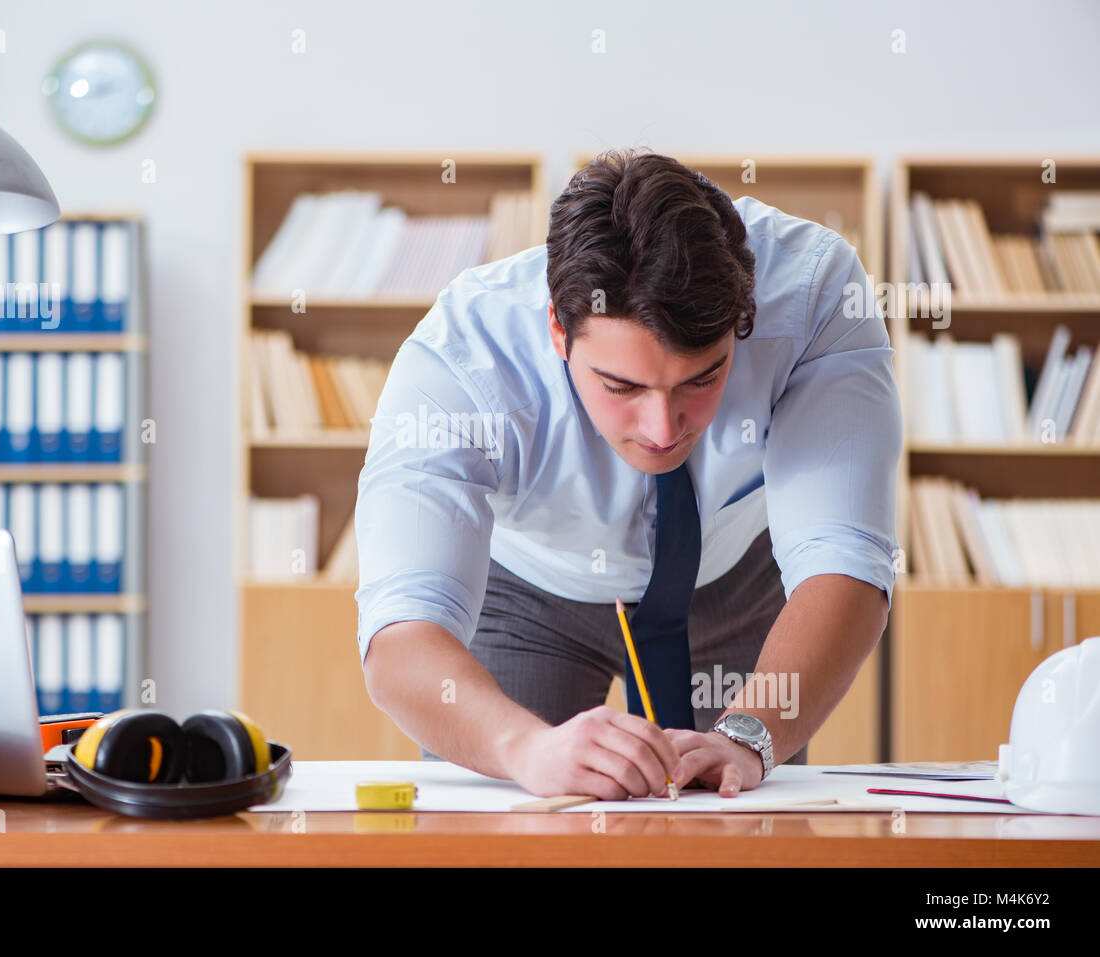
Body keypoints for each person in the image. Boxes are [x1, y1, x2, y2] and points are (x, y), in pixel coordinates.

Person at [354, 148, 901, 800]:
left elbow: (845, 560)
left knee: (731, 824)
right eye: (621, 385)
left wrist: (753, 736)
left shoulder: (814, 293)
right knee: (522, 825)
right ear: (559, 328)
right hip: (529, 591)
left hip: (731, 578)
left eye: (703, 378)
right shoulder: (463, 361)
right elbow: (401, 631)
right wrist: (523, 746)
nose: (664, 429)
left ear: (744, 320)